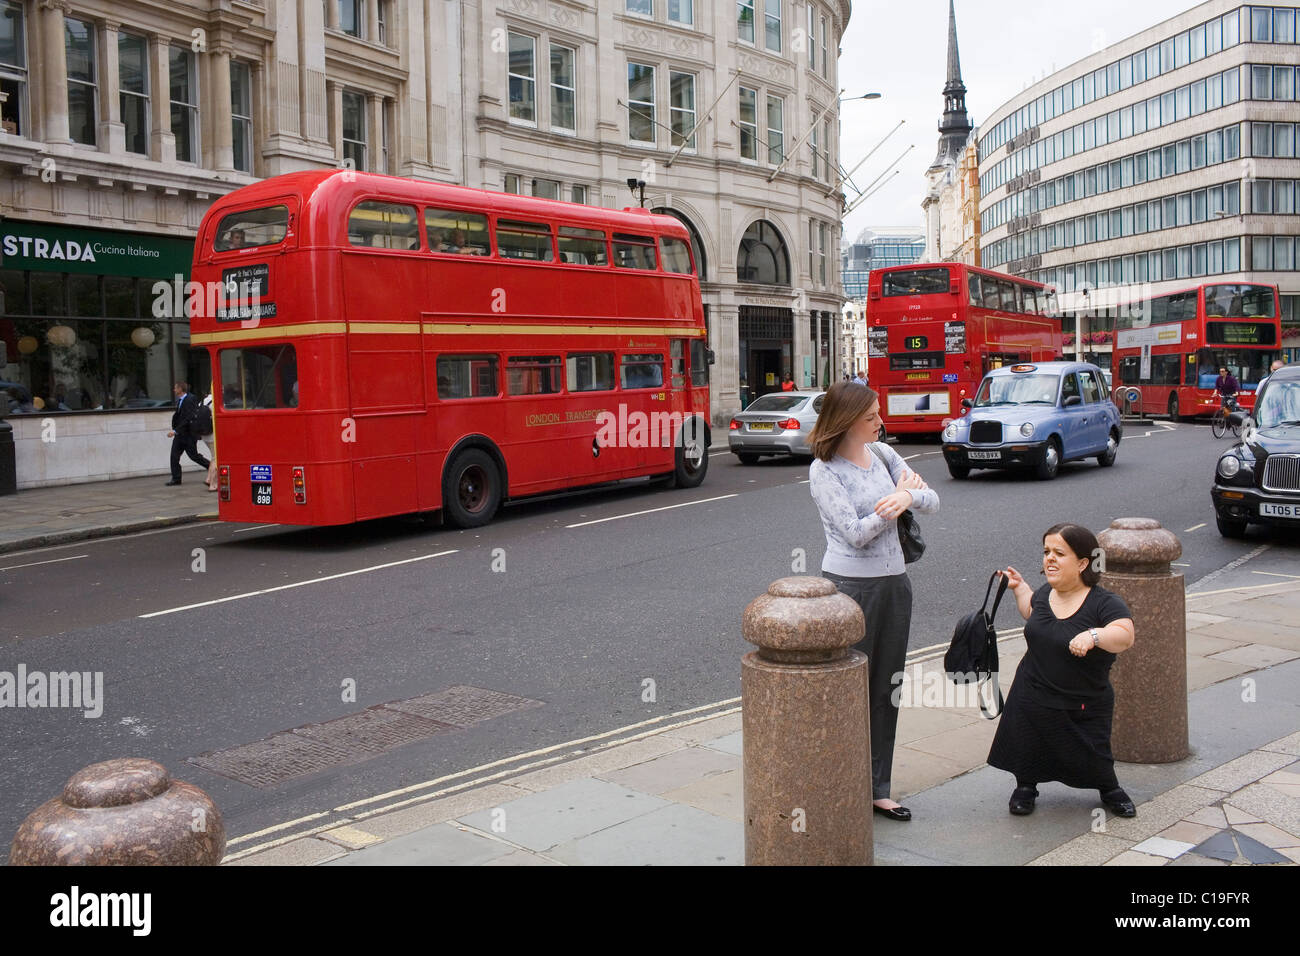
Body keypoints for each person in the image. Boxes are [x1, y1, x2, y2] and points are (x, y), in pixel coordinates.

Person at [807, 381, 940, 821]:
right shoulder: (824, 471)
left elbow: (932, 499)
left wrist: (906, 496)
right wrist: (902, 500)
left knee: (887, 688)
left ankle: (878, 787)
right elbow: (856, 534)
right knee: (850, 691)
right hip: (850, 588)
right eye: (870, 418)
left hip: (895, 584)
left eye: (878, 414)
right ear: (845, 422)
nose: (880, 422)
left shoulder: (883, 454)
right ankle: (841, 782)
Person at [987, 523, 1137, 817]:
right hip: (1032, 690)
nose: (1049, 558)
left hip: (1082, 698)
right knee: (1028, 744)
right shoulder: (1044, 594)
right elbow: (1032, 613)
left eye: (1059, 553)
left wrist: (1094, 636)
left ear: (1083, 563)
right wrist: (1022, 589)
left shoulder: (1104, 602)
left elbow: (1124, 634)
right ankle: (1025, 788)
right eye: (1046, 552)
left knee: (1093, 752)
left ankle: (1109, 789)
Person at [166, 381, 210, 486]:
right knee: (174, 456)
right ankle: (176, 479)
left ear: (181, 389)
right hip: (180, 434)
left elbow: (189, 418)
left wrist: (175, 430)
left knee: (194, 456)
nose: (174, 390)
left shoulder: (190, 399)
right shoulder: (181, 400)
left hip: (188, 435)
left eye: (175, 388)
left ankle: (211, 467)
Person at [198, 388, 219, 491]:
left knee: (213, 457)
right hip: (213, 435)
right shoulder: (216, 402)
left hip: (204, 435)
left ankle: (208, 479)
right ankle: (213, 485)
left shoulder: (203, 401)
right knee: (217, 458)